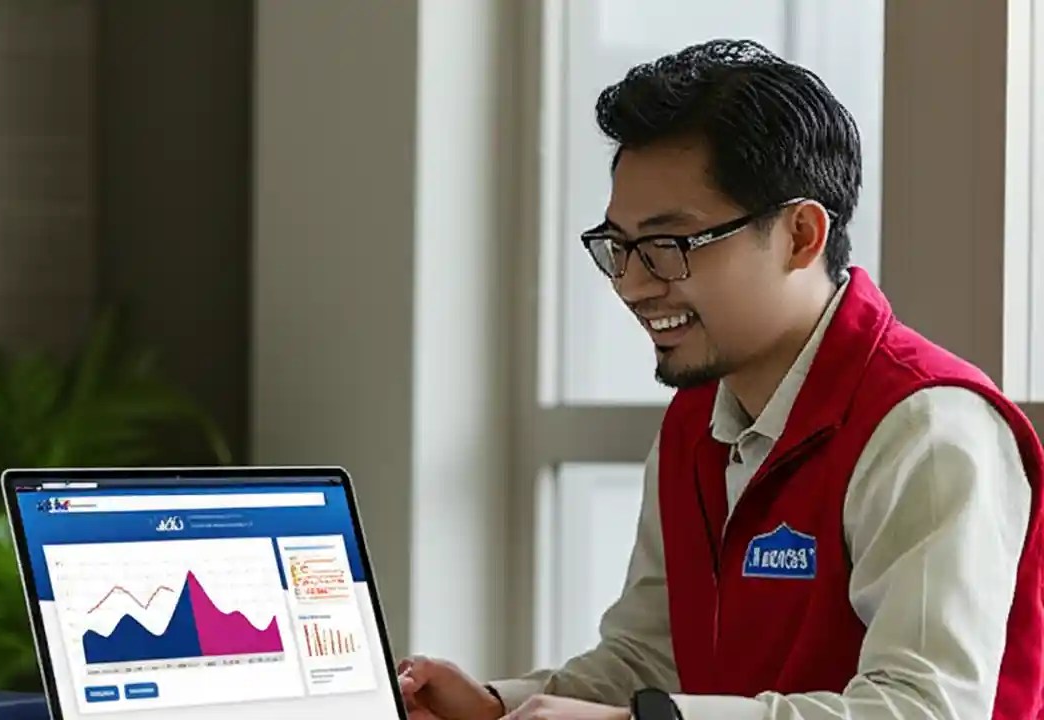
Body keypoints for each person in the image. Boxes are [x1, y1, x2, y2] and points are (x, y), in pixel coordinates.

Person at [396, 38, 1044, 720]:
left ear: (801, 235)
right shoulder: (697, 420)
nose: (635, 285)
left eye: (670, 245)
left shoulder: (927, 429)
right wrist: (497, 705)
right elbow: (649, 660)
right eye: (619, 247)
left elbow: (924, 711)